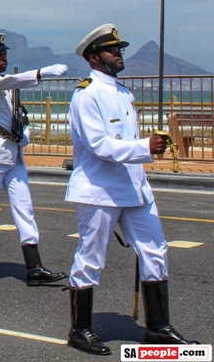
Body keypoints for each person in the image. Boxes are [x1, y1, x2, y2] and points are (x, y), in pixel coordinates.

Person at [65, 24, 198, 355]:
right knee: (91, 257)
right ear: (94, 57)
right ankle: (80, 330)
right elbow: (98, 145)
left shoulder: (124, 93)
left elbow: (125, 140)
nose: (119, 54)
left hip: (134, 186)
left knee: (155, 250)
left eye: (119, 49)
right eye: (112, 50)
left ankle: (158, 328)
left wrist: (148, 147)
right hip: (99, 188)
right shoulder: (86, 94)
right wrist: (144, 147)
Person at [0, 33, 68, 287]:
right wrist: (41, 73)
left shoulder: (6, 84)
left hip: (14, 156)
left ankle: (34, 267)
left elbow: (15, 114)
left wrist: (24, 132)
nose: (3, 57)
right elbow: (11, 81)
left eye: (4, 53)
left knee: (25, 207)